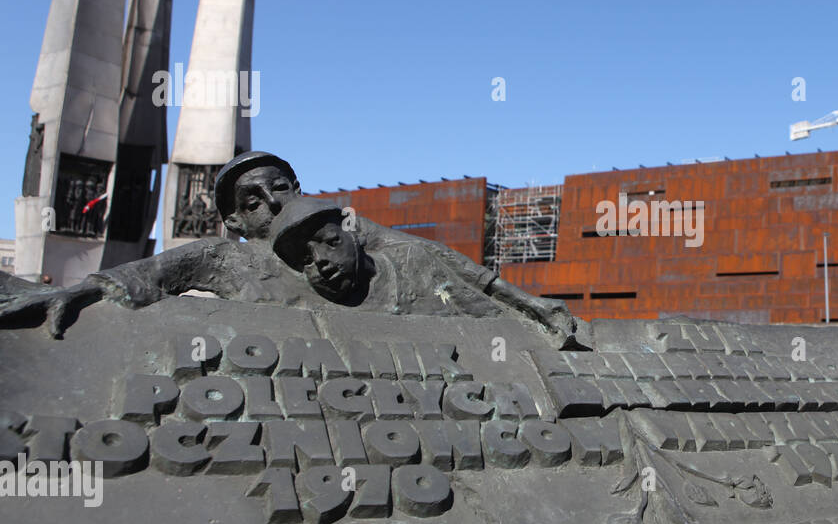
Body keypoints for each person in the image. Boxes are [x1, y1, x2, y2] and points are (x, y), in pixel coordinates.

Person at [0, 150, 578, 346]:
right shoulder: (228, 258)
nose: (273, 203)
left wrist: (529, 305)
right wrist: (78, 292)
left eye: (280, 187)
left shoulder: (344, 229)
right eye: (253, 201)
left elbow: (436, 259)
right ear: (234, 221)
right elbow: (149, 274)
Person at [270, 196, 506, 318]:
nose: (320, 260)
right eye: (305, 260)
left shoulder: (415, 262)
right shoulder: (307, 309)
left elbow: (489, 317)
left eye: (332, 242)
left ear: (354, 235)